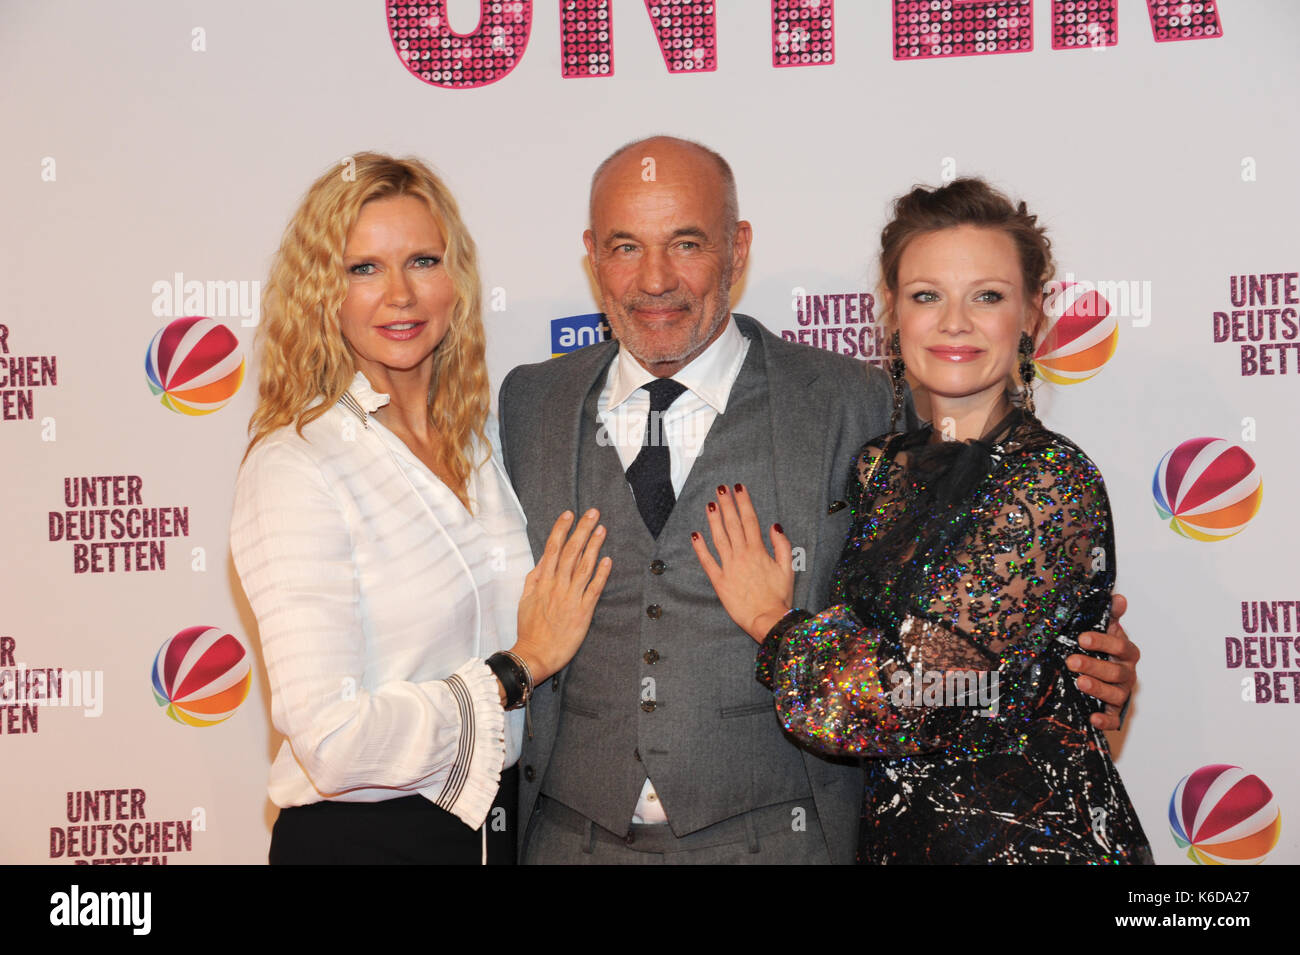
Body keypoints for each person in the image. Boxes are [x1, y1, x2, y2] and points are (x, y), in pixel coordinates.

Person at [497, 137, 1139, 863]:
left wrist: (1063, 659)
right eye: (624, 246)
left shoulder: (856, 401)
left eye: (686, 243)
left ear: (737, 249)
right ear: (591, 255)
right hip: (567, 839)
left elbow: (957, 638)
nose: (655, 279)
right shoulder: (528, 404)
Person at [693, 177, 1153, 863]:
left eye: (988, 296)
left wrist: (772, 621)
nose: (955, 322)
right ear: (893, 311)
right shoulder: (881, 467)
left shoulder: (1049, 480)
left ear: (1032, 316)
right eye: (927, 295)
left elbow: (915, 693)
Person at [230, 152, 610, 864]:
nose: (399, 294)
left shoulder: (485, 439)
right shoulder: (296, 465)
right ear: (321, 291)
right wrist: (518, 666)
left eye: (423, 261)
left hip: (501, 826)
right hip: (365, 843)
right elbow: (334, 742)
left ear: (456, 280)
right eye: (363, 268)